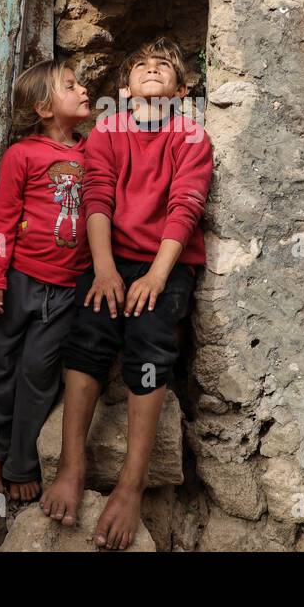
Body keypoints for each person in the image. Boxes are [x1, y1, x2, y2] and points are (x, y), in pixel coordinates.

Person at [39, 36, 213, 548]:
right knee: (89, 333)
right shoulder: (108, 131)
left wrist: (157, 277)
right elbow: (97, 197)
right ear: (124, 88)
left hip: (166, 260)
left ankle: (131, 485)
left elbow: (185, 207)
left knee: (151, 342)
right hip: (109, 257)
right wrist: (105, 270)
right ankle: (72, 466)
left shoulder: (191, 137)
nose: (153, 69)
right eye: (142, 66)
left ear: (181, 92)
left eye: (165, 67)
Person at [0, 58, 91, 502]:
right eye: (71, 86)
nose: (83, 90)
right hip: (18, 280)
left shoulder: (91, 154)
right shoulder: (23, 155)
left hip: (66, 289)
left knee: (39, 373)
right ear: (43, 108)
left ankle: (23, 460)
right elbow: (2, 221)